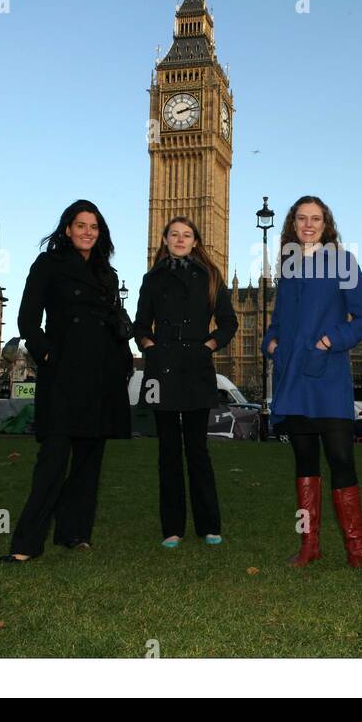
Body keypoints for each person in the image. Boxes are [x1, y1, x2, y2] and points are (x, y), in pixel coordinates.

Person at [263, 196, 362, 571]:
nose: (308, 224)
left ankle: (357, 549)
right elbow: (277, 323)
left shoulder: (341, 262)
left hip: (328, 377)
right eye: (302, 218)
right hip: (293, 379)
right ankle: (309, 546)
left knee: (340, 458)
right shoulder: (287, 268)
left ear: (326, 224)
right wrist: (271, 345)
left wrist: (328, 342)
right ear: (293, 224)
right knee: (304, 463)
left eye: (315, 219)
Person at [0, 200, 133, 563]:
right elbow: (28, 319)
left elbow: (112, 322)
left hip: (101, 374)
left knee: (89, 461)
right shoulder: (48, 265)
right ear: (67, 229)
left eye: (93, 227)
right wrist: (46, 354)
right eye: (80, 225)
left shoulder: (107, 274)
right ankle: (26, 544)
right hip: (63, 373)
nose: (87, 232)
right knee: (53, 460)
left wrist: (123, 362)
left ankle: (75, 532)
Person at [133, 216, 238, 548]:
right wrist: (151, 349)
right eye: (174, 234)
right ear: (165, 240)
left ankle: (209, 525)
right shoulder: (152, 279)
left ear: (195, 242)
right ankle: (172, 528)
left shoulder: (210, 277)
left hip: (195, 368)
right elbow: (140, 325)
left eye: (186, 235)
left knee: (197, 451)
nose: (180, 239)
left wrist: (207, 346)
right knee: (167, 452)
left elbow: (227, 322)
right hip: (162, 370)